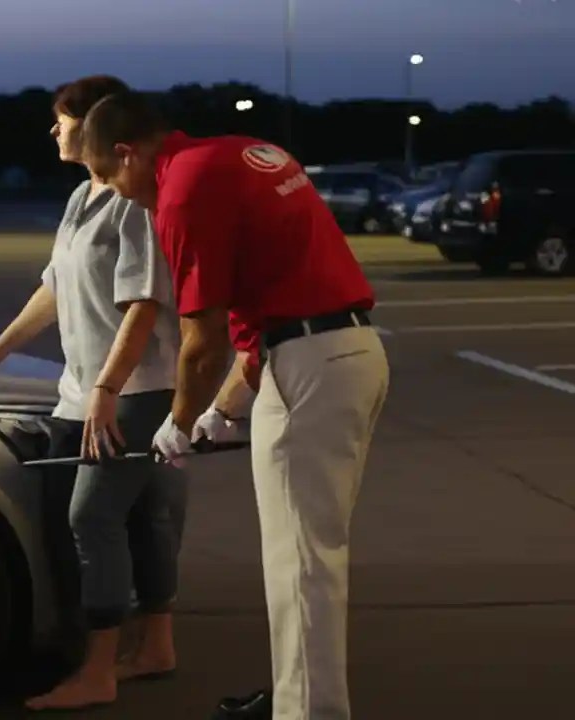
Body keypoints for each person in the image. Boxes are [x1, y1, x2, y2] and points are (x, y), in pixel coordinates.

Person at [79, 91, 390, 720]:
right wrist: (225, 410)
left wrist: (180, 420)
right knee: (307, 559)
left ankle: (309, 713)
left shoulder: (181, 191)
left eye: (106, 177)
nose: (114, 193)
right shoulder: (243, 154)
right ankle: (299, 699)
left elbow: (203, 342)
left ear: (126, 153)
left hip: (308, 368)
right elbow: (268, 312)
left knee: (301, 565)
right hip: (345, 352)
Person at [0, 75, 187, 712]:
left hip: (138, 387)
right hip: (84, 390)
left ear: (94, 126)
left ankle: (99, 670)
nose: (53, 130)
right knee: (136, 515)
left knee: (95, 515)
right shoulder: (83, 197)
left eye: (61, 119)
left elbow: (144, 304)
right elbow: (56, 290)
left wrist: (110, 388)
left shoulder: (132, 200)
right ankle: (154, 646)